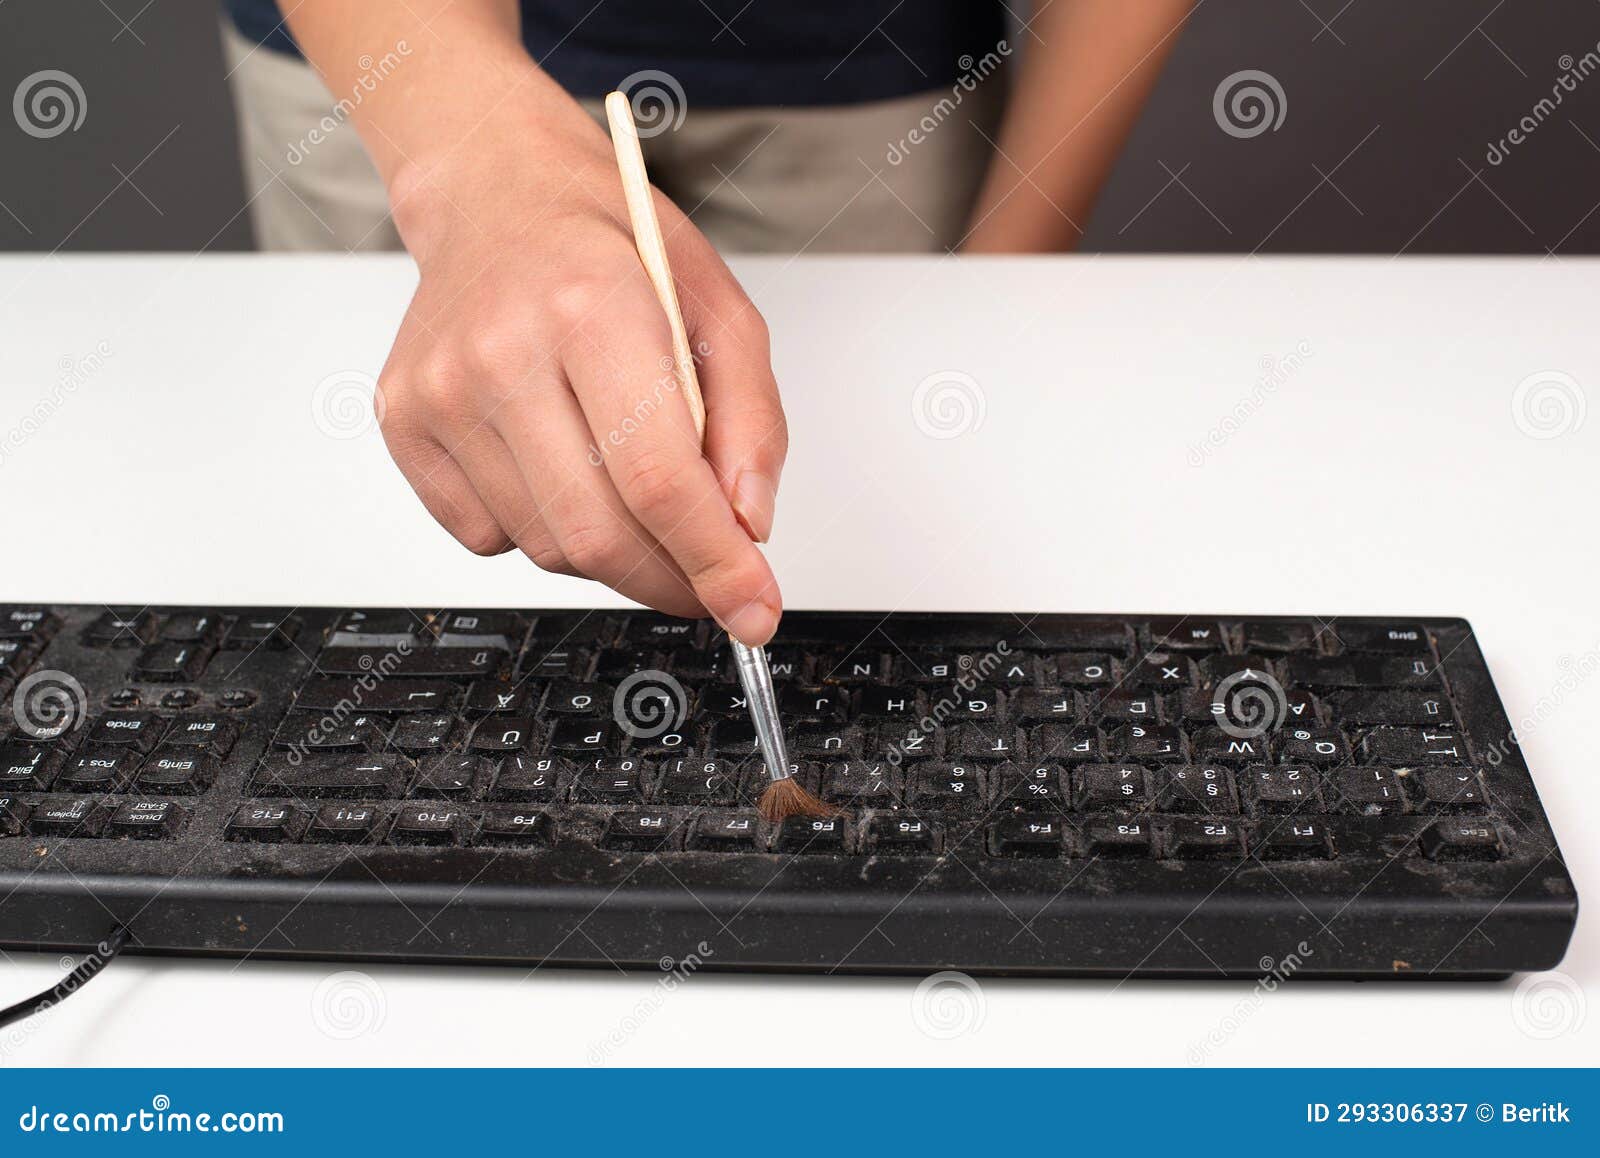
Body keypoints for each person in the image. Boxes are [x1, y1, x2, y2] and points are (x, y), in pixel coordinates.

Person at [220, 1, 1190, 645]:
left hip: (868, 72)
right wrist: (456, 152)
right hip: (384, 46)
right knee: (391, 592)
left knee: (867, 567)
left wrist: (999, 274)